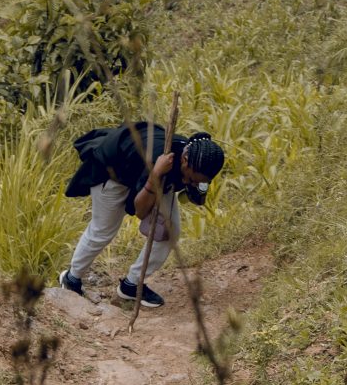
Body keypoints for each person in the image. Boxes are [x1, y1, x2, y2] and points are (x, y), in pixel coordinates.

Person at [58, 123, 225, 309]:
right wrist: (156, 174)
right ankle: (71, 279)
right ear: (185, 160)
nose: (188, 183)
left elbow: (195, 191)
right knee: (103, 230)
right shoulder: (159, 161)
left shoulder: (196, 158)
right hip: (114, 173)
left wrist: (195, 187)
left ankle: (131, 286)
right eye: (191, 179)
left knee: (170, 230)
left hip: (155, 175)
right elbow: (140, 210)